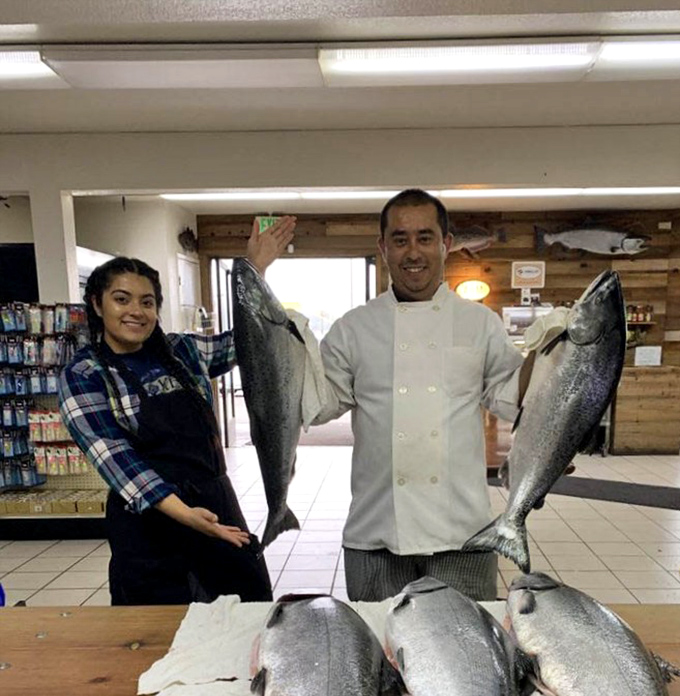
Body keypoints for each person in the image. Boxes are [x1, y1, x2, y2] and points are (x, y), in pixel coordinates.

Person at [59, 216, 296, 606]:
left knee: (244, 617)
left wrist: (255, 271)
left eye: (147, 301)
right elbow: (117, 461)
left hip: (217, 505)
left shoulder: (182, 351)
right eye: (122, 299)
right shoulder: (84, 374)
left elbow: (256, 340)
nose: (136, 310)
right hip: (149, 525)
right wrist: (185, 514)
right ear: (97, 304)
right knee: (159, 638)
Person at [312, 188, 534, 602]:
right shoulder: (354, 328)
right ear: (383, 248)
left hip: (463, 533)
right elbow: (320, 404)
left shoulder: (479, 324)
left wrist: (554, 353)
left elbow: (512, 398)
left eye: (425, 237)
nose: (413, 251)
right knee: (381, 655)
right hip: (375, 533)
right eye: (400, 239)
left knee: (467, 657)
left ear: (446, 244)